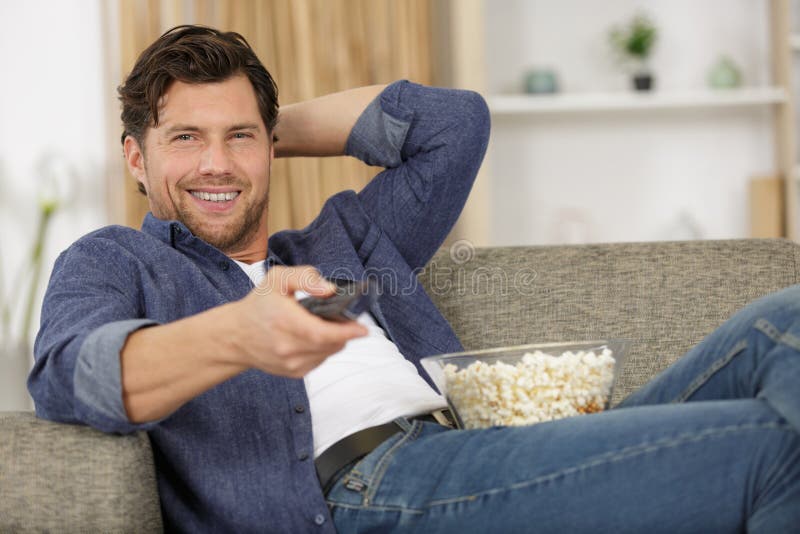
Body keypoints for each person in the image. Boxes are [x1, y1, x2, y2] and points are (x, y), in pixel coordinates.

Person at [29, 25, 798, 533]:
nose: (217, 163)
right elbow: (73, 377)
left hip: (478, 460)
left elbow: (454, 124)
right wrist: (240, 333)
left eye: (240, 139)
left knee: (786, 320)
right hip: (368, 494)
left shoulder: (345, 238)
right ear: (137, 157)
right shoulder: (114, 260)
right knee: (775, 449)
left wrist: (261, 120)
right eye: (184, 138)